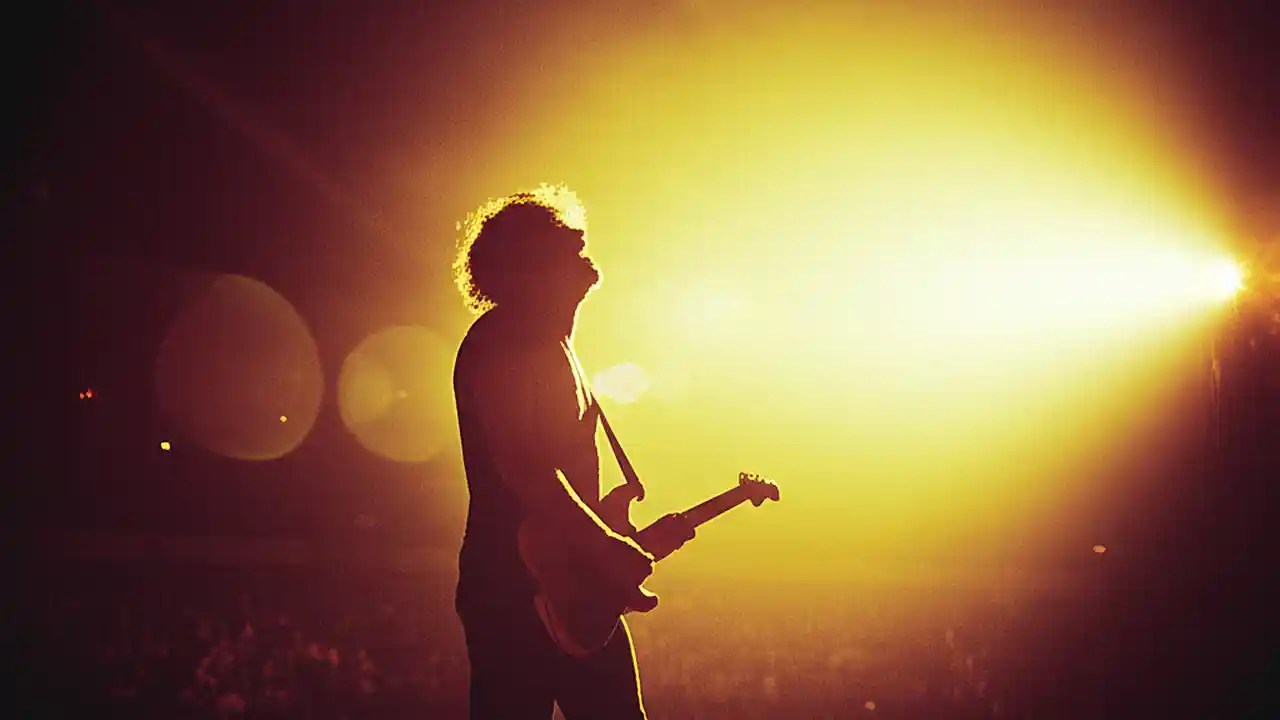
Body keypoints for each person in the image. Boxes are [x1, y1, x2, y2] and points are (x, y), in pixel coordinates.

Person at [451, 186, 694, 719]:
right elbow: (523, 465)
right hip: (515, 587)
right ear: (528, 266)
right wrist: (605, 541)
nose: (581, 244)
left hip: (568, 580)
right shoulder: (506, 339)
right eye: (563, 241)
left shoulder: (552, 345)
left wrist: (608, 531)